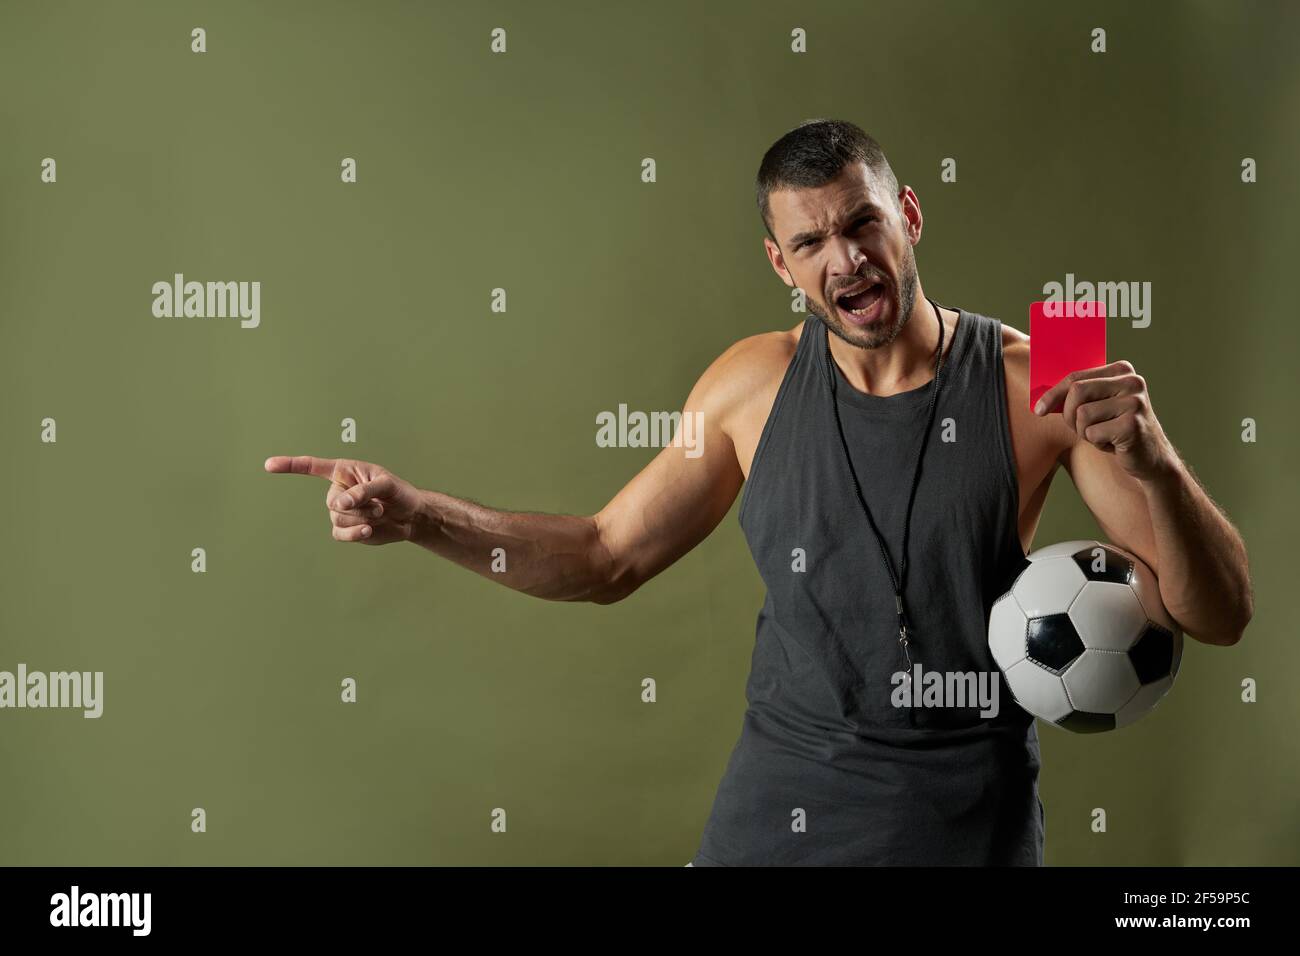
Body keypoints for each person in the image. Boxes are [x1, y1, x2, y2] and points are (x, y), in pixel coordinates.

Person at [265, 119, 1253, 866]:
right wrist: (416, 513)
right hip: (776, 815)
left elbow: (1217, 612)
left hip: (966, 823)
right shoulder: (750, 381)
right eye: (812, 242)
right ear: (781, 265)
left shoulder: (1039, 373)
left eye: (863, 223)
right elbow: (605, 554)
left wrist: (1158, 460)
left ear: (906, 216)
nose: (848, 259)